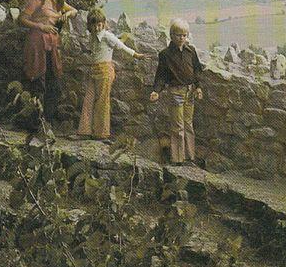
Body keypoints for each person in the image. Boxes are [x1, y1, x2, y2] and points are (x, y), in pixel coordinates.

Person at [77, 9, 148, 141]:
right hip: (94, 70)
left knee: (102, 102)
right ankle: (85, 131)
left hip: (105, 70)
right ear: (90, 25)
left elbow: (121, 46)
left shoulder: (107, 36)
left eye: (99, 24)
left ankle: (101, 133)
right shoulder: (92, 37)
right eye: (94, 25)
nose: (97, 27)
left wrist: (136, 54)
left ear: (103, 24)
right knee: (88, 99)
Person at [149, 18, 204, 165]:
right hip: (175, 92)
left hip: (189, 91)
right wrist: (156, 91)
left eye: (184, 35)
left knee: (188, 125)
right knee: (177, 126)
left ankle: (190, 157)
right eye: (178, 35)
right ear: (171, 35)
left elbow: (197, 71)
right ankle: (178, 159)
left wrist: (198, 87)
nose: (182, 38)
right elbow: (161, 75)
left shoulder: (190, 51)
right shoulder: (165, 55)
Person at [20, 0, 77, 124]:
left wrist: (66, 14)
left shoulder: (57, 3)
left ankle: (47, 120)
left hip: (52, 44)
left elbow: (74, 11)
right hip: (37, 43)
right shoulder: (37, 0)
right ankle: (34, 120)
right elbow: (22, 19)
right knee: (38, 80)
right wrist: (41, 26)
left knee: (54, 82)